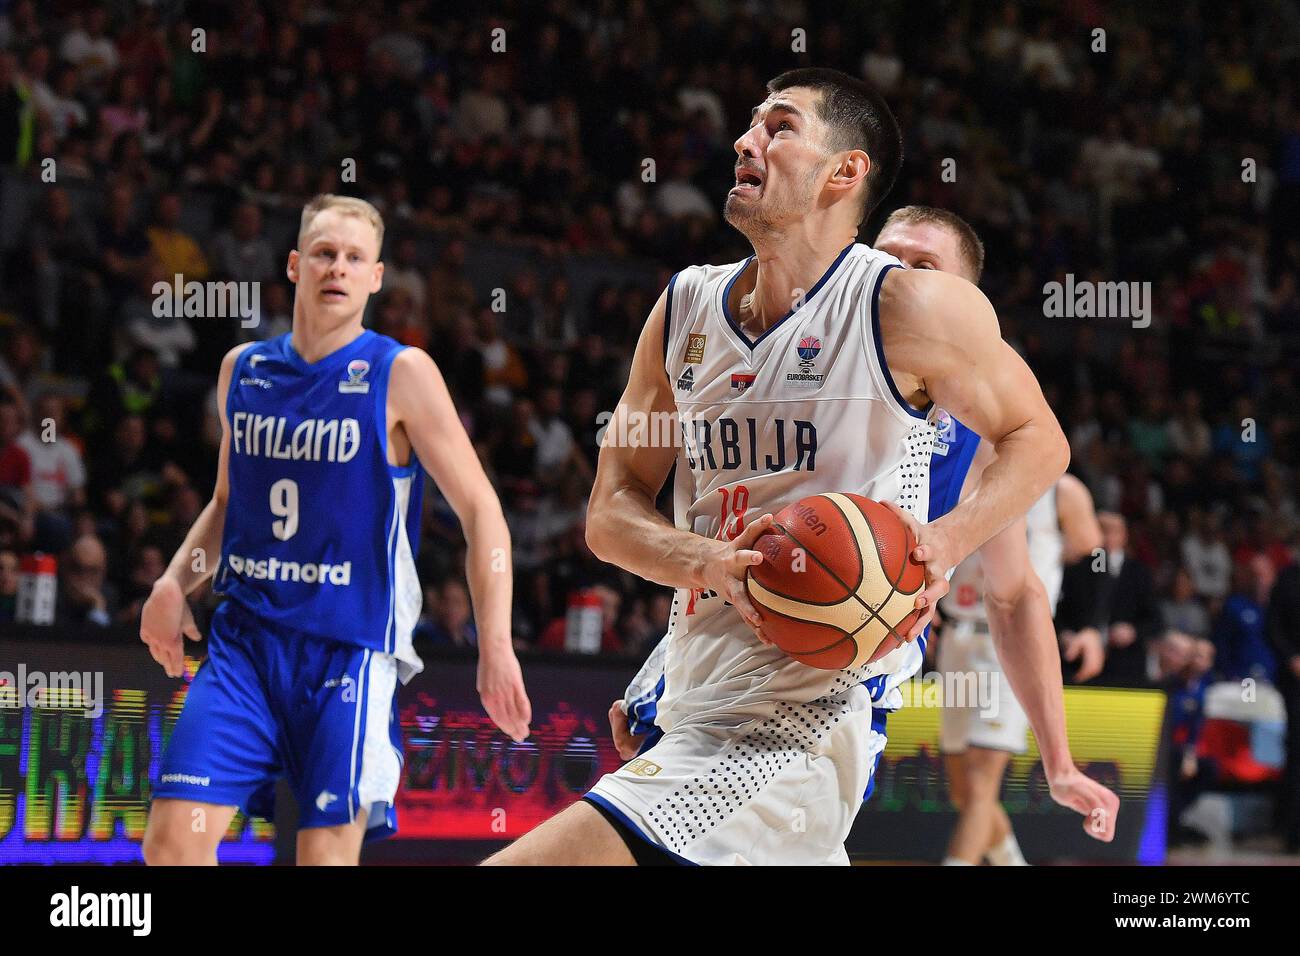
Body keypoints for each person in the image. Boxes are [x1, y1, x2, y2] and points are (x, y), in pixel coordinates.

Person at [486, 69, 1100, 866]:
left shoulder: (906, 314)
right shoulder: (683, 309)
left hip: (807, 716)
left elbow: (1039, 448)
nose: (745, 141)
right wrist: (703, 577)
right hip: (695, 693)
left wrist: (941, 547)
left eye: (778, 127)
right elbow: (610, 515)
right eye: (750, 125)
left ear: (846, 173)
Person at [611, 206, 1117, 866]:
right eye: (886, 258)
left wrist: (1059, 760)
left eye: (922, 268)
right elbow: (751, 527)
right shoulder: (819, 359)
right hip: (735, 647)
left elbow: (1014, 595)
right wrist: (666, 669)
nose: (896, 277)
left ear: (961, 304)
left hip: (844, 673)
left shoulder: (981, 425)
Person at [139, 195, 531, 866]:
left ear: (376, 278)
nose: (337, 268)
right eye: (323, 253)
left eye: (354, 258)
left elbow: (481, 510)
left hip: (347, 652)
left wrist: (495, 642)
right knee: (174, 846)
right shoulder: (244, 370)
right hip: (245, 645)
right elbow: (228, 502)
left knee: (323, 859)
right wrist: (175, 583)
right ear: (295, 264)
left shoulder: (400, 373)